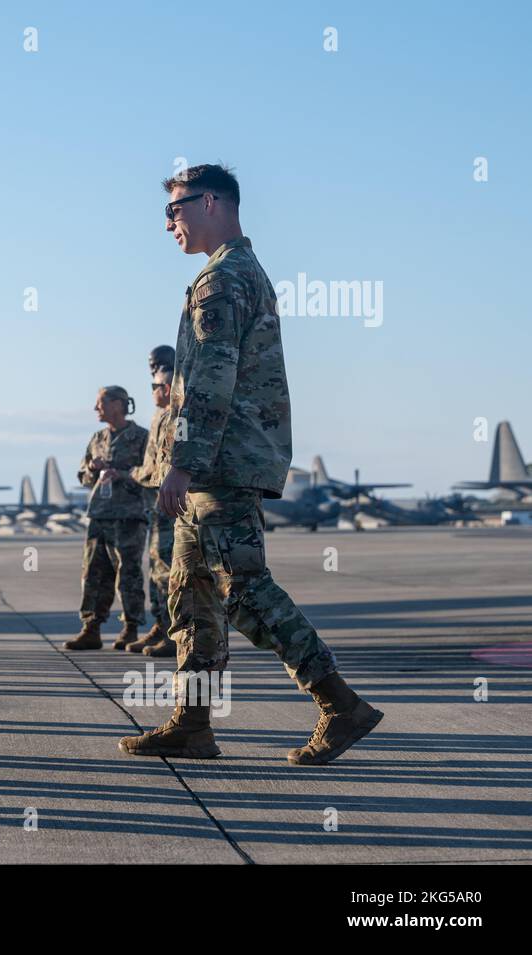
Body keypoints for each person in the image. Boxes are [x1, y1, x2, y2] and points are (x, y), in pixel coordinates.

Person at [121, 163, 383, 765]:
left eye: (176, 209)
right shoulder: (229, 273)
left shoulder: (224, 280)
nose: (169, 224)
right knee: (192, 594)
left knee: (244, 591)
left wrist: (181, 464)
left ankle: (339, 703)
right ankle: (192, 722)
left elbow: (211, 380)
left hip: (220, 464)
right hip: (215, 462)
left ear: (211, 202)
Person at [66, 386, 148, 651]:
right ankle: (91, 628)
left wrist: (121, 474)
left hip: (129, 516)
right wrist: (92, 469)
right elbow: (82, 476)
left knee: (128, 572)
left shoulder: (141, 437)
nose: (95, 408)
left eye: (100, 402)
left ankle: (131, 628)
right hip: (99, 515)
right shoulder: (97, 438)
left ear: (117, 404)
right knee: (93, 572)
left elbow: (152, 473)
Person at [127, 362, 176, 657]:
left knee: (169, 572)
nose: (153, 391)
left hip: (169, 508)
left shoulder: (175, 418)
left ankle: (174, 633)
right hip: (155, 507)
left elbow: (164, 468)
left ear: (167, 388)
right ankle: (160, 624)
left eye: (155, 386)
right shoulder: (160, 416)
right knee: (156, 569)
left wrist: (132, 474)